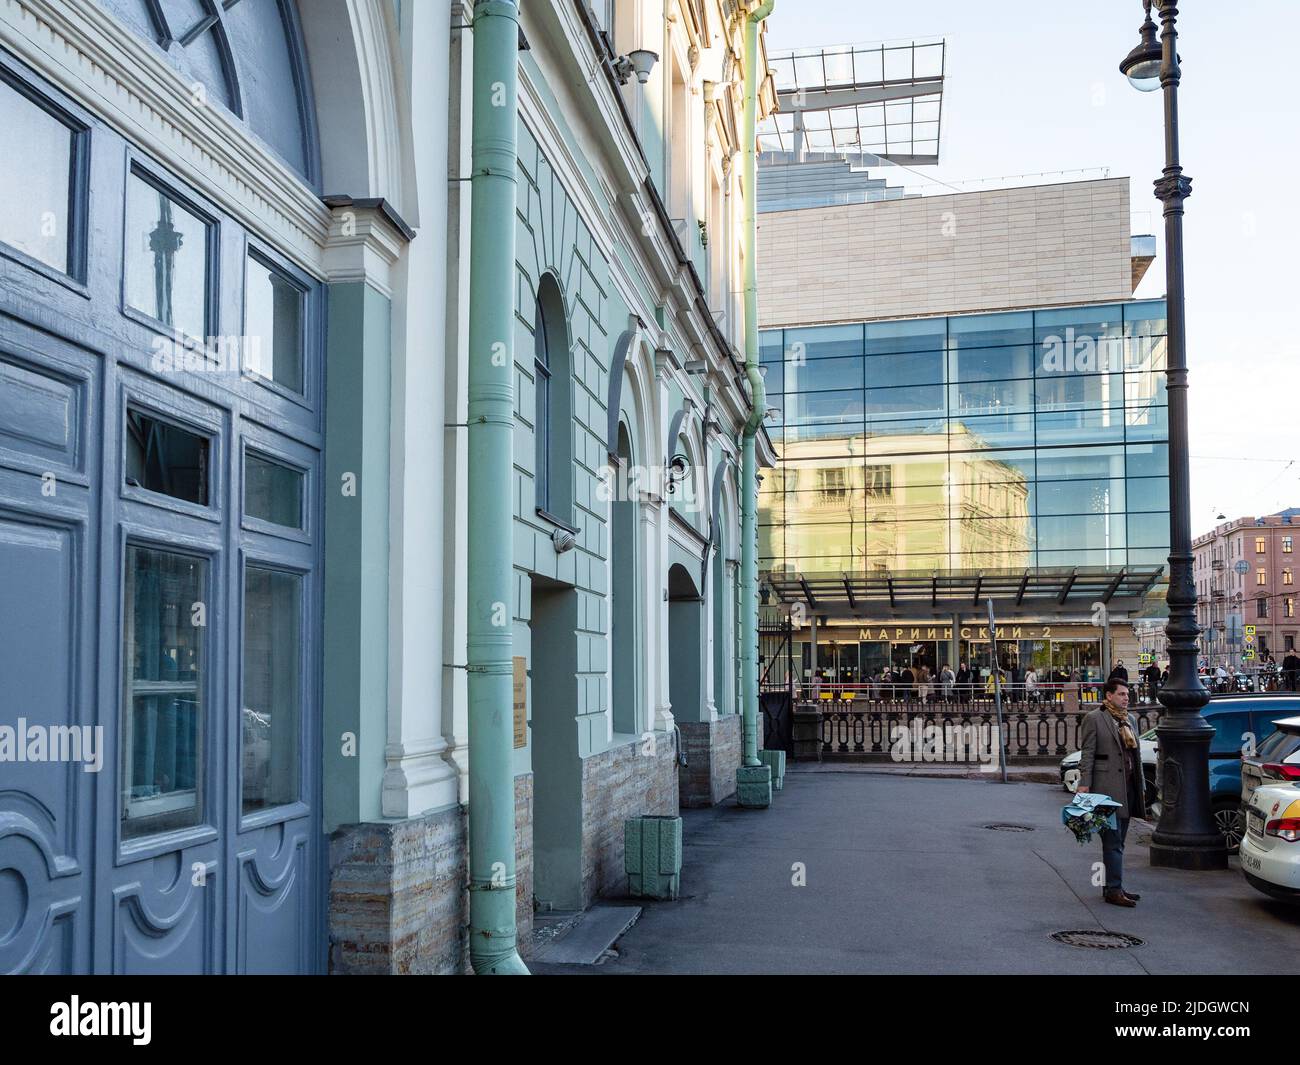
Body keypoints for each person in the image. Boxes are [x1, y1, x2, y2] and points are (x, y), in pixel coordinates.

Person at [1077, 678, 1144, 907]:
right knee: (1112, 841)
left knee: (1119, 842)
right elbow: (1088, 753)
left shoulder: (1129, 720)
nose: (1126, 698)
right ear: (1108, 696)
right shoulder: (1094, 718)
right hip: (1106, 789)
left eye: (1127, 694)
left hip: (1128, 788)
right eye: (1121, 694)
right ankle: (1114, 890)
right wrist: (1084, 784)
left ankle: (1112, 886)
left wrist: (1141, 786)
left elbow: (1135, 756)